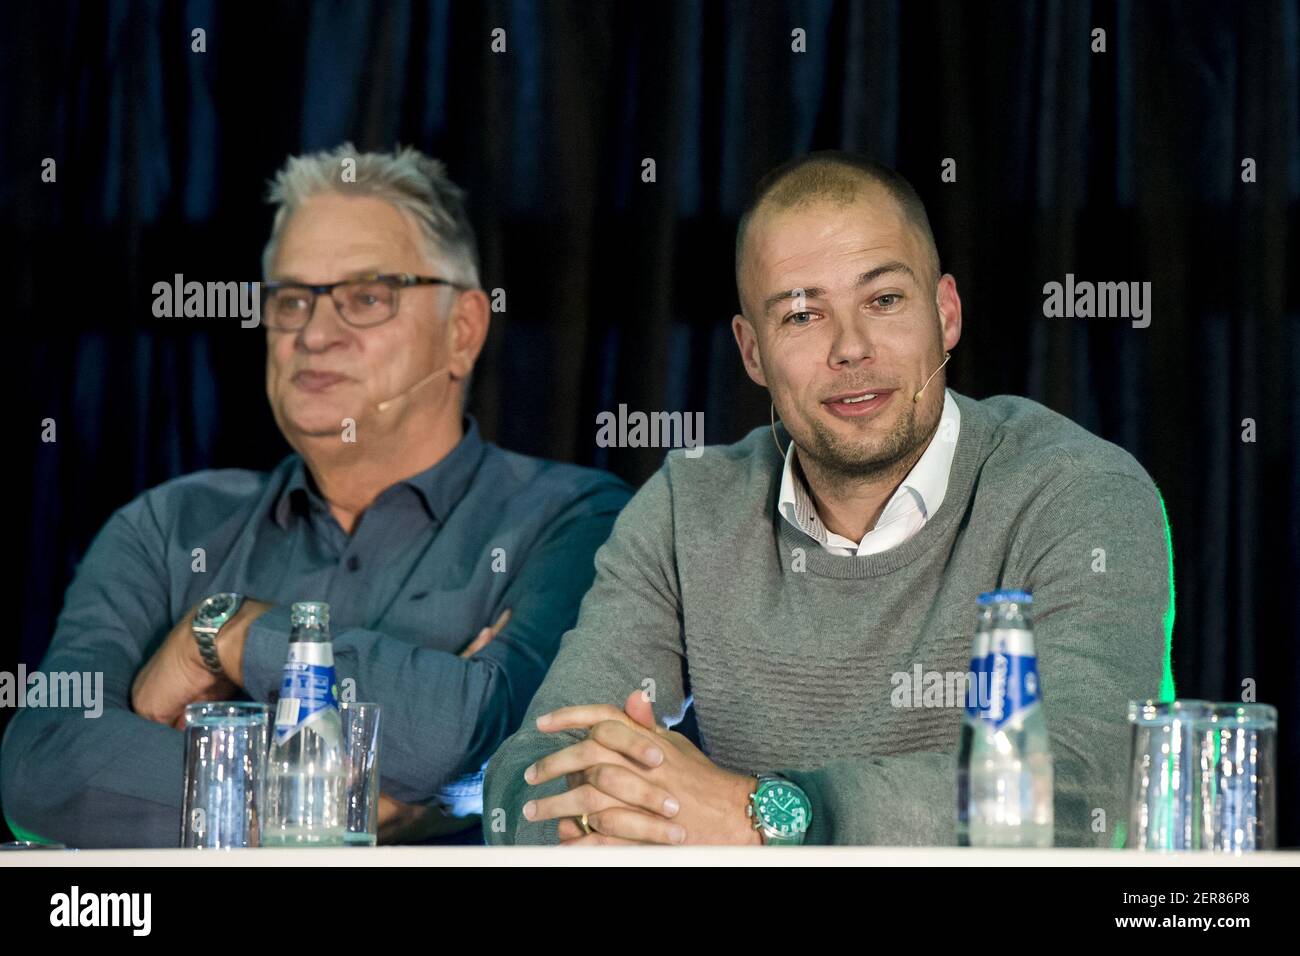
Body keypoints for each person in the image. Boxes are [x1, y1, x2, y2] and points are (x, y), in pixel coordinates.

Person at [482, 152, 1173, 847]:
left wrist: (766, 814)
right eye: (803, 315)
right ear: (752, 353)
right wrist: (598, 807)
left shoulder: (1078, 493)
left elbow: (1081, 795)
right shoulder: (685, 507)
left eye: (883, 300)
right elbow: (529, 775)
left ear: (946, 313)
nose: (850, 348)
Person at [1, 144, 630, 847]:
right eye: (292, 299)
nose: (314, 333)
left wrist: (229, 633)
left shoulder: (577, 521)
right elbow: (44, 763)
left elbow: (491, 740)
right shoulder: (165, 528)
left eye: (366, 297)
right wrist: (327, 809)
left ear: (463, 330)